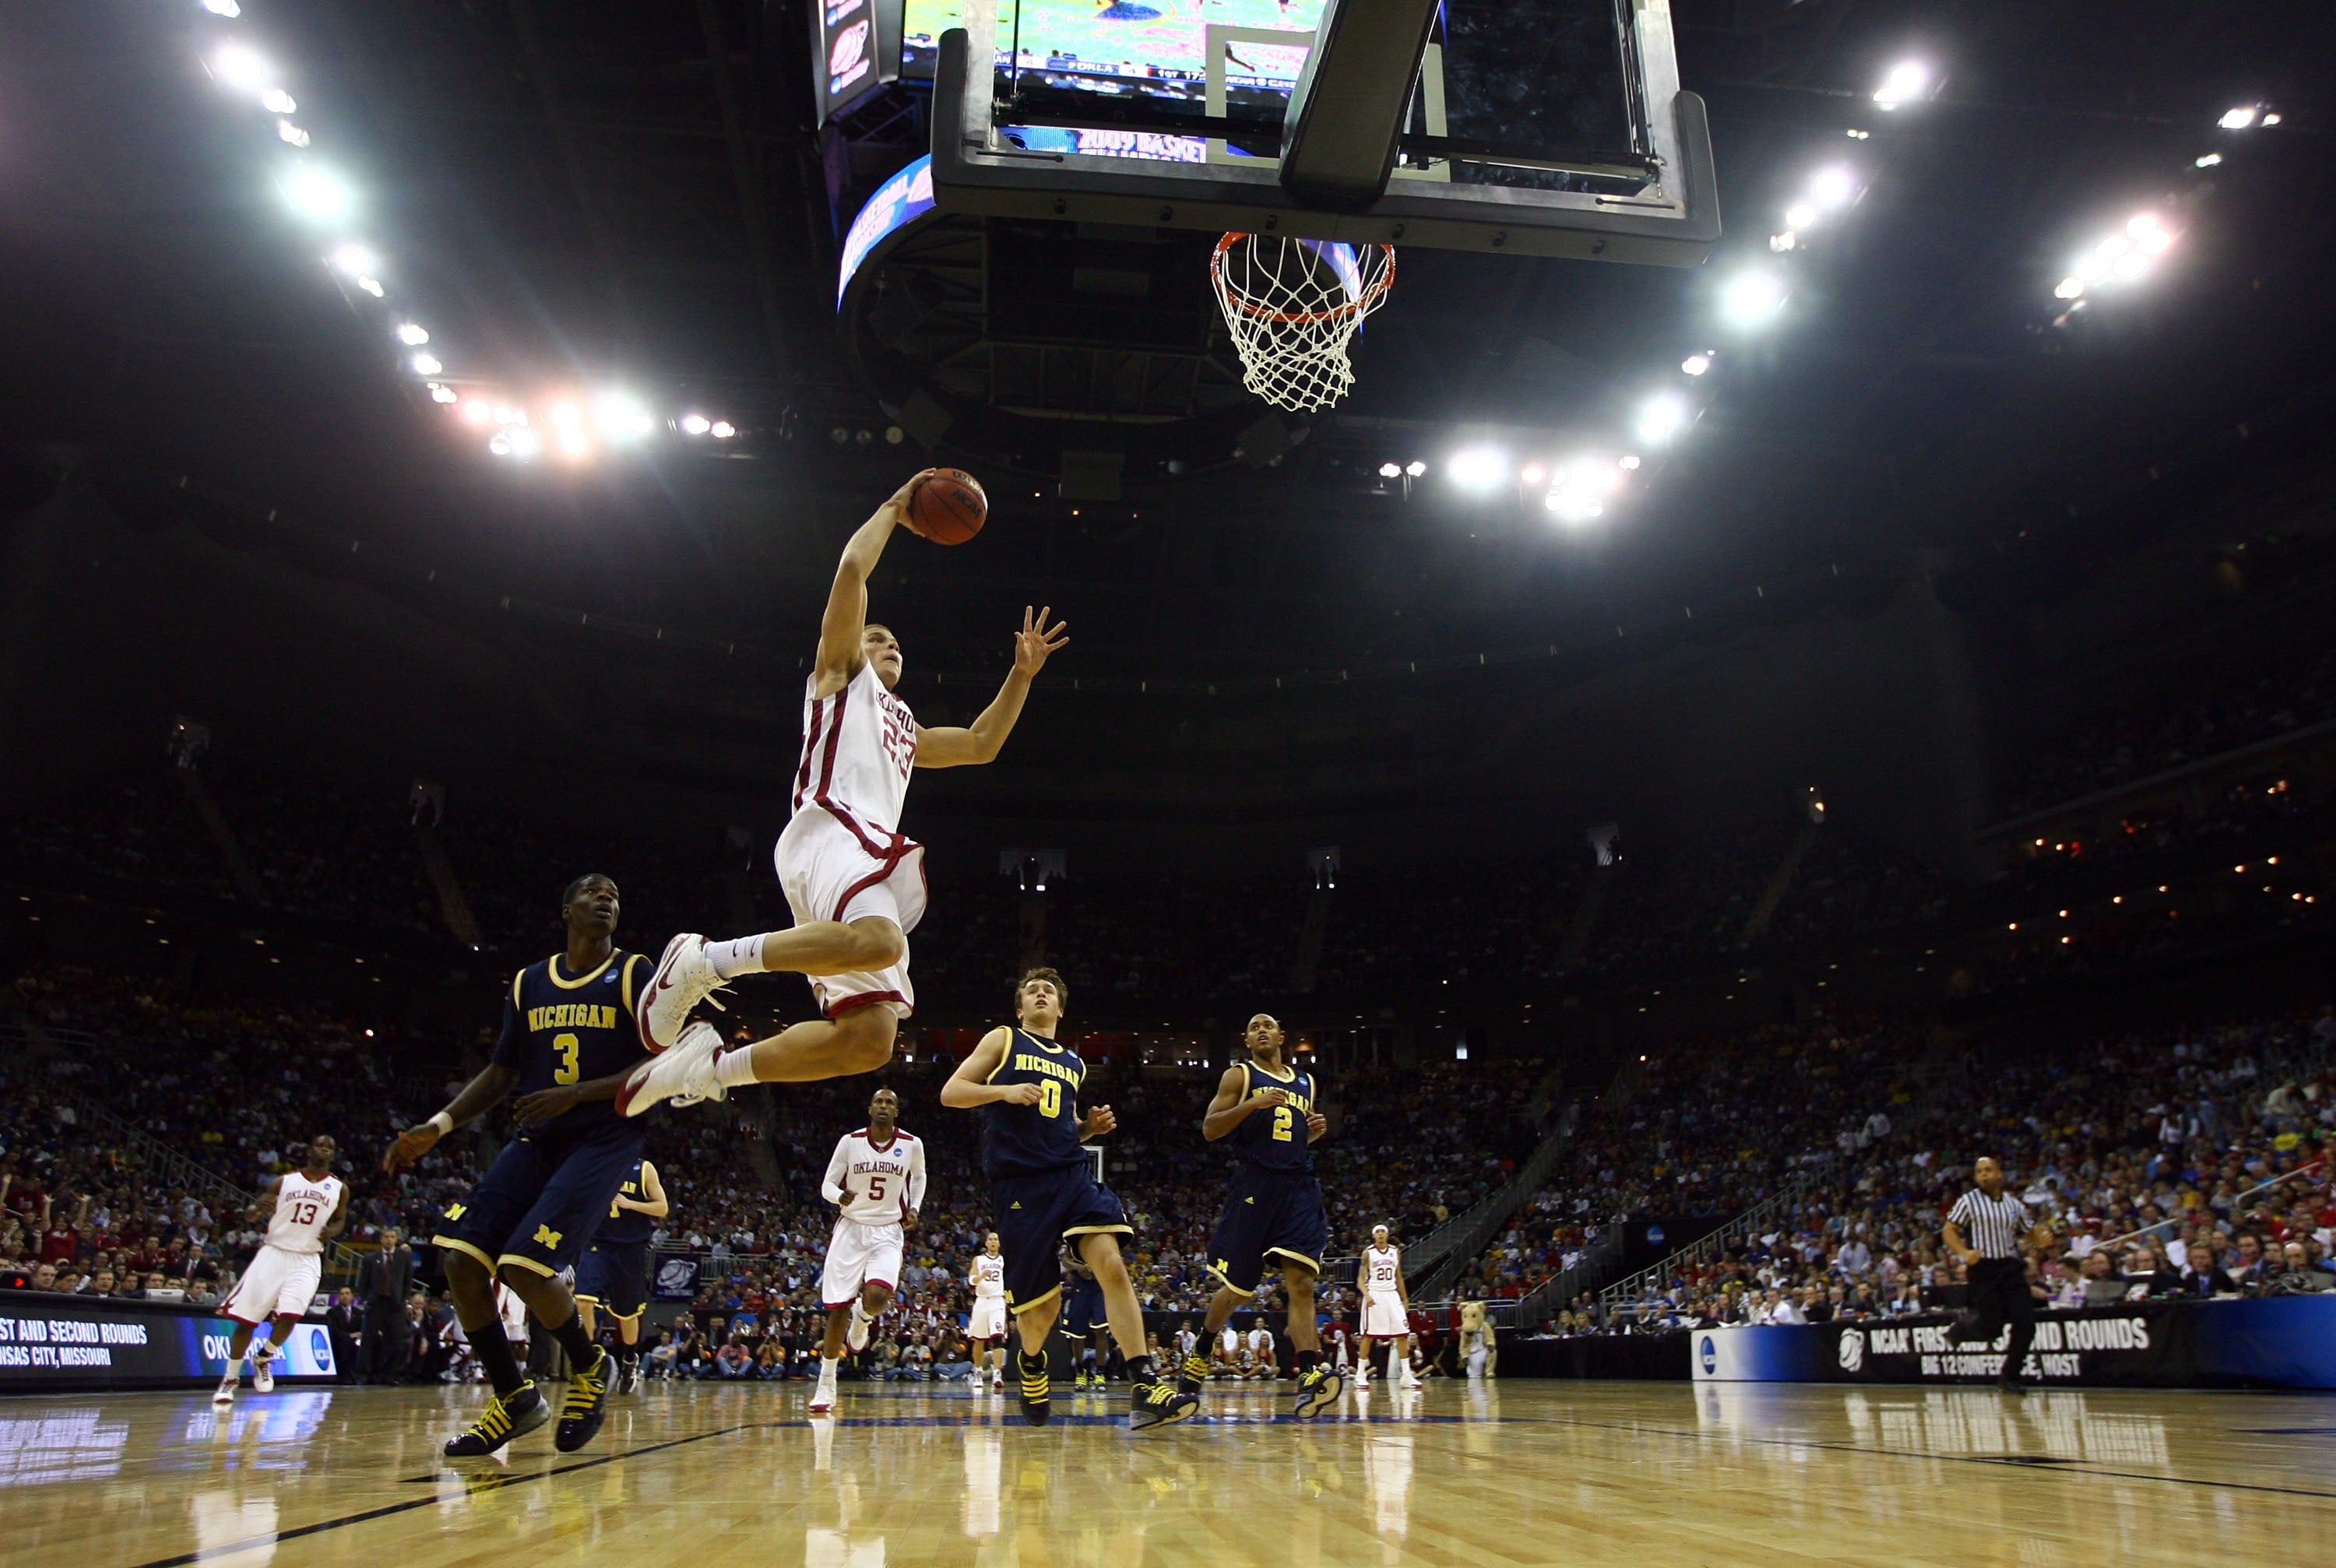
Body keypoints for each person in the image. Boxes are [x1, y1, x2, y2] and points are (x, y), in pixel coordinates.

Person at [617, 474, 1071, 1113]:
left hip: (862, 852)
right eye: (878, 637)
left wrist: (1021, 676)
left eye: (896, 645)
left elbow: (978, 744)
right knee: (884, 942)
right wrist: (895, 506)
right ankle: (702, 961)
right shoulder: (841, 677)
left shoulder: (905, 726)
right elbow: (853, 571)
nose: (890, 646)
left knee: (870, 1039)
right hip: (829, 829)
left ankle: (710, 1068)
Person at [385, 873, 663, 1457]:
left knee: (526, 1267)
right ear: (567, 909)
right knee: (459, 1258)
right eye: (594, 892)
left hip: (604, 1139)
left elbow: (661, 1070)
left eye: (615, 893)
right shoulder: (529, 982)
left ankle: (591, 1367)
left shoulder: (637, 974)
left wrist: (577, 1094)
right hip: (540, 1138)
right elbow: (501, 1073)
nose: (608, 899)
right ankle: (515, 1398)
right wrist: (436, 1127)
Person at [939, 967, 1196, 1430]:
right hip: (1020, 1184)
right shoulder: (1003, 1040)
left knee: (1112, 1264)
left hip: (1072, 1174)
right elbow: (951, 1092)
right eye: (1032, 991)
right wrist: (1004, 1090)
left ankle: (1144, 1383)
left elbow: (1063, 1123)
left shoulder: (1074, 1062)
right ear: (1020, 1008)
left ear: (1060, 1008)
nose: (1041, 995)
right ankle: (1032, 1362)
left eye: (1049, 991)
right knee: (1042, 1311)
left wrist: (1087, 1129)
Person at [1177, 1013, 1342, 1417]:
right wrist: (1253, 1104)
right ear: (1247, 1041)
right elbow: (1210, 1129)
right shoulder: (1240, 1076)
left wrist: (1312, 1133)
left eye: (1268, 1025)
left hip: (1299, 1188)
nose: (1261, 1030)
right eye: (1253, 1027)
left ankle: (1309, 1374)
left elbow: (1290, 1134)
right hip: (1255, 1187)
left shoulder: (1306, 1082)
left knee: (1300, 1283)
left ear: (1283, 1037)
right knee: (1238, 1290)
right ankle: (1201, 1349)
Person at [809, 1087, 927, 1415]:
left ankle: (863, 1318)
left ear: (897, 1111)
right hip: (851, 1228)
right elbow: (827, 1184)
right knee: (836, 1310)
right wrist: (838, 1197)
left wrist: (914, 1207)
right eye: (879, 1101)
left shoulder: (911, 1144)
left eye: (890, 1102)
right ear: (870, 1108)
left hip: (888, 1230)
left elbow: (919, 1177)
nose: (884, 1107)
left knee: (877, 1297)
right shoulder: (850, 1142)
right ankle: (827, 1383)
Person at [213, 1135, 348, 1404]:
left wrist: (331, 1231)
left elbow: (341, 1220)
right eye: (320, 1145)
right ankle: (230, 1378)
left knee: (292, 1314)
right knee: (246, 1320)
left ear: (333, 1155)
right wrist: (254, 1210)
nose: (324, 1149)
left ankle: (265, 1357)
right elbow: (252, 1212)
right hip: (274, 1252)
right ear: (310, 1150)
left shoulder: (339, 1188)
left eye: (330, 1147)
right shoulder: (284, 1182)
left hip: (307, 1257)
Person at [1942, 1155, 2041, 1395]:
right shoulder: (1968, 1201)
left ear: (1999, 1174)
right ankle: (1960, 1329)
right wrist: (1964, 1253)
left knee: (2026, 1324)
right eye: (1979, 1171)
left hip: (2010, 1267)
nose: (1984, 1174)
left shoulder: (2013, 1204)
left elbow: (2030, 1235)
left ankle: (2010, 1377)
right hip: (1984, 1270)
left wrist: (2040, 1242)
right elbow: (1949, 1230)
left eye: (1988, 1170)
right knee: (1992, 1328)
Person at [576, 1155, 668, 1394]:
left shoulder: (644, 1168)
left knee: (627, 1315)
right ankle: (591, 1362)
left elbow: (662, 1207)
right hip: (597, 1243)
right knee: (583, 1300)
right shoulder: (593, 1164)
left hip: (630, 1248)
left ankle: (629, 1360)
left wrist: (631, 1204)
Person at [1357, 1224, 1420, 1391]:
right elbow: (1360, 1279)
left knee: (1402, 1334)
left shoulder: (1395, 1251)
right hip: (1375, 1294)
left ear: (1387, 1235)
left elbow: (1398, 1276)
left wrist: (1405, 1298)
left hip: (1392, 1294)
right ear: (1373, 1236)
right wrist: (1367, 1294)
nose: (1380, 1235)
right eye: (1377, 1232)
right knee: (1368, 1335)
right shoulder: (1368, 1253)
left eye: (1383, 1232)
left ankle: (1406, 1375)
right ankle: (1360, 1374)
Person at [356, 1229, 415, 1385]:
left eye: (392, 1237)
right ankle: (364, 1375)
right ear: (381, 1240)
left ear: (396, 1239)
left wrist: (404, 1299)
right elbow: (363, 1282)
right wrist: (367, 1299)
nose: (389, 1240)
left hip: (395, 1304)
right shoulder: (370, 1258)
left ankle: (388, 1375)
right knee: (368, 1340)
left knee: (396, 1342)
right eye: (386, 1237)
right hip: (375, 1303)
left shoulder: (404, 1257)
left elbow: (408, 1280)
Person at [967, 1232, 1008, 1392]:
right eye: (990, 1239)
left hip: (998, 1300)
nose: (993, 1242)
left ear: (999, 1243)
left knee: (998, 1337)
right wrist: (980, 1276)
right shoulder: (979, 1260)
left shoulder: (1004, 1260)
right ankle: (978, 1372)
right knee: (978, 1340)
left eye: (996, 1239)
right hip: (981, 1301)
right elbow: (971, 1280)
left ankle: (997, 1374)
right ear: (986, 1243)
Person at [1458, 1294, 1497, 1380]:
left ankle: (1489, 1371)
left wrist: (1490, 1344)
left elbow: (1490, 1337)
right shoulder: (1464, 1331)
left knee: (1493, 1352)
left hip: (1482, 1350)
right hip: (1471, 1354)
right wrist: (1464, 1355)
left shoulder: (1485, 1326)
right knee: (1474, 1377)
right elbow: (1463, 1345)